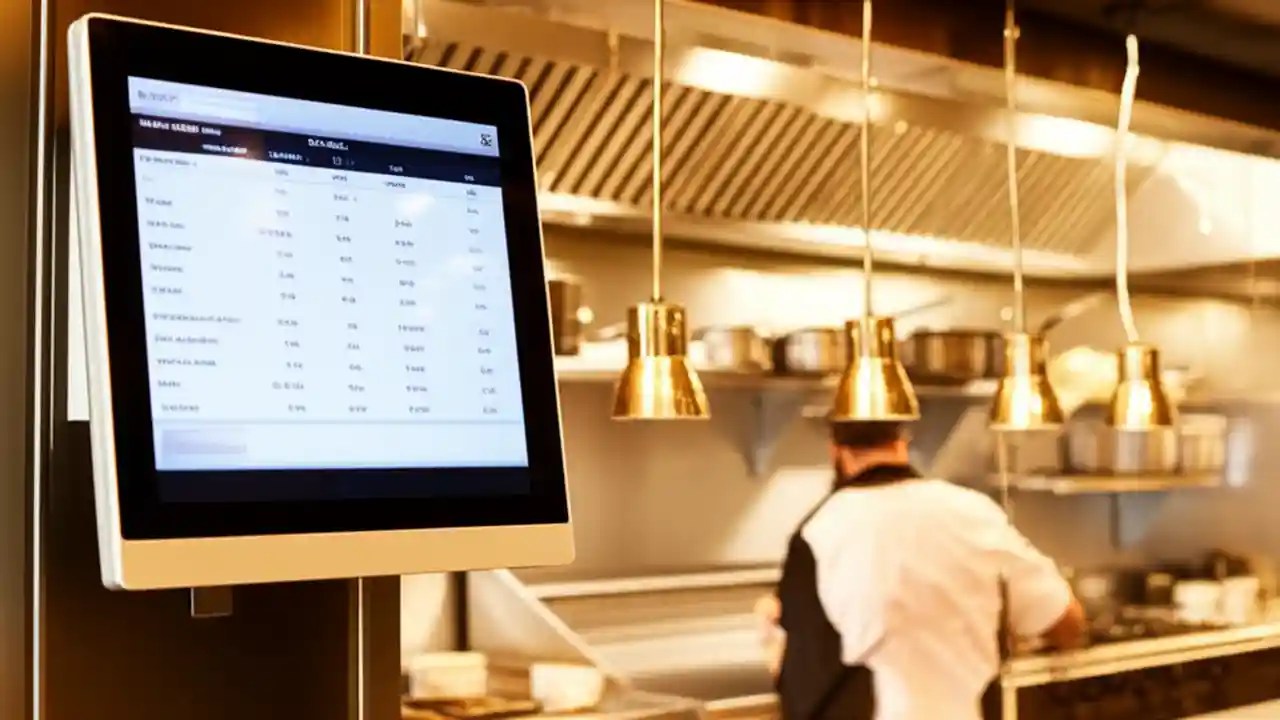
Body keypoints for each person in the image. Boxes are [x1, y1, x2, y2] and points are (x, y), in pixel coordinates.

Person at [757, 421, 1086, 720]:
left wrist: (772, 644)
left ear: (836, 452)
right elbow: (1068, 623)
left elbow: (800, 684)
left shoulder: (819, 531)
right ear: (902, 440)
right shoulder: (974, 512)